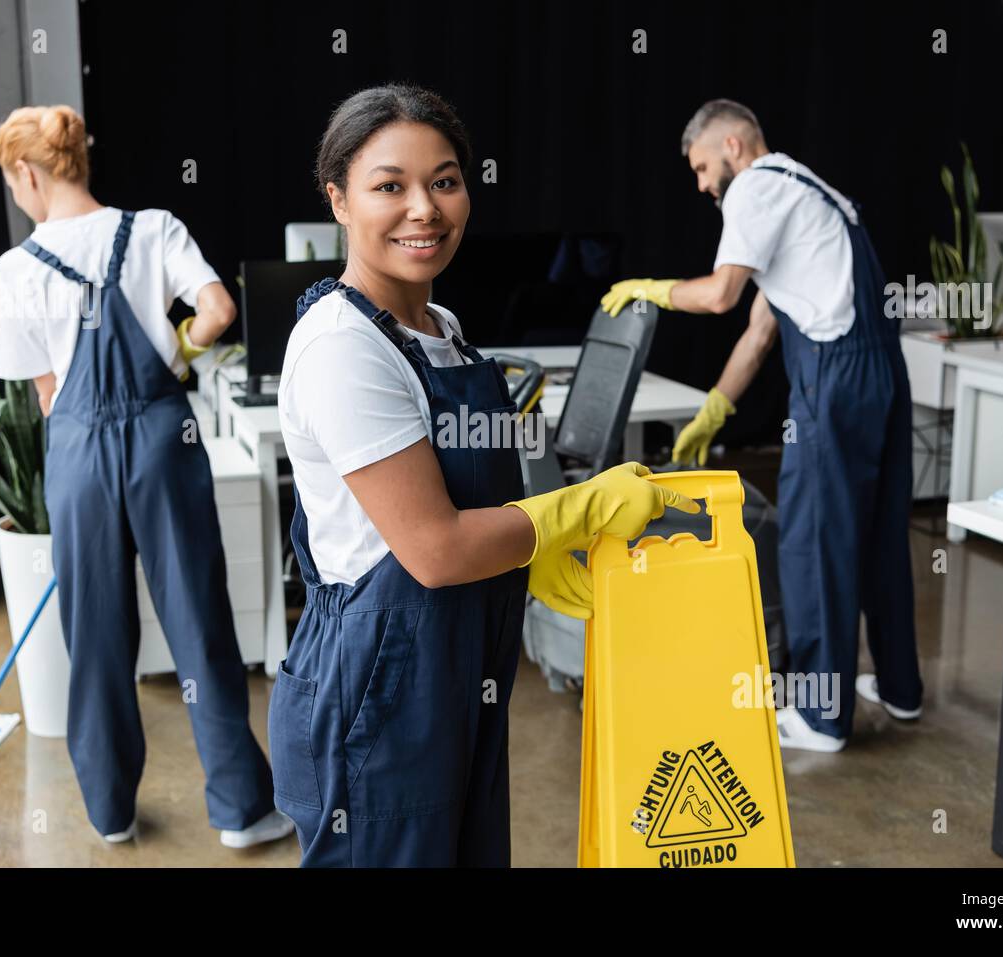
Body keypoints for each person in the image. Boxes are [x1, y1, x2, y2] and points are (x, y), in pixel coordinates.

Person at [270, 84, 697, 866]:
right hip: (380, 685)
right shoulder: (344, 344)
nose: (424, 208)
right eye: (389, 186)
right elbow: (433, 548)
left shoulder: (443, 329)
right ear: (338, 200)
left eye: (444, 180)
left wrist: (534, 555)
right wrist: (578, 509)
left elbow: (473, 505)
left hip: (457, 668)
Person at [0, 104, 293, 846]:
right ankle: (242, 811)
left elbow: (47, 391)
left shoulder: (14, 268)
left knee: (93, 628)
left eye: (11, 181)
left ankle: (111, 812)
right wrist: (176, 351)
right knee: (197, 614)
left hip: (78, 449)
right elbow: (219, 309)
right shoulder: (154, 227)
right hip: (164, 433)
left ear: (27, 173)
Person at [601, 99, 922, 752]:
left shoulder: (756, 187)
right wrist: (715, 407)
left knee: (814, 539)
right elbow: (762, 327)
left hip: (833, 381)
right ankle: (899, 688)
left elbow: (722, 295)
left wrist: (652, 289)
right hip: (883, 373)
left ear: (731, 144)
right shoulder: (810, 189)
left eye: (700, 167)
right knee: (881, 529)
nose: (701, 184)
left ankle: (820, 716)